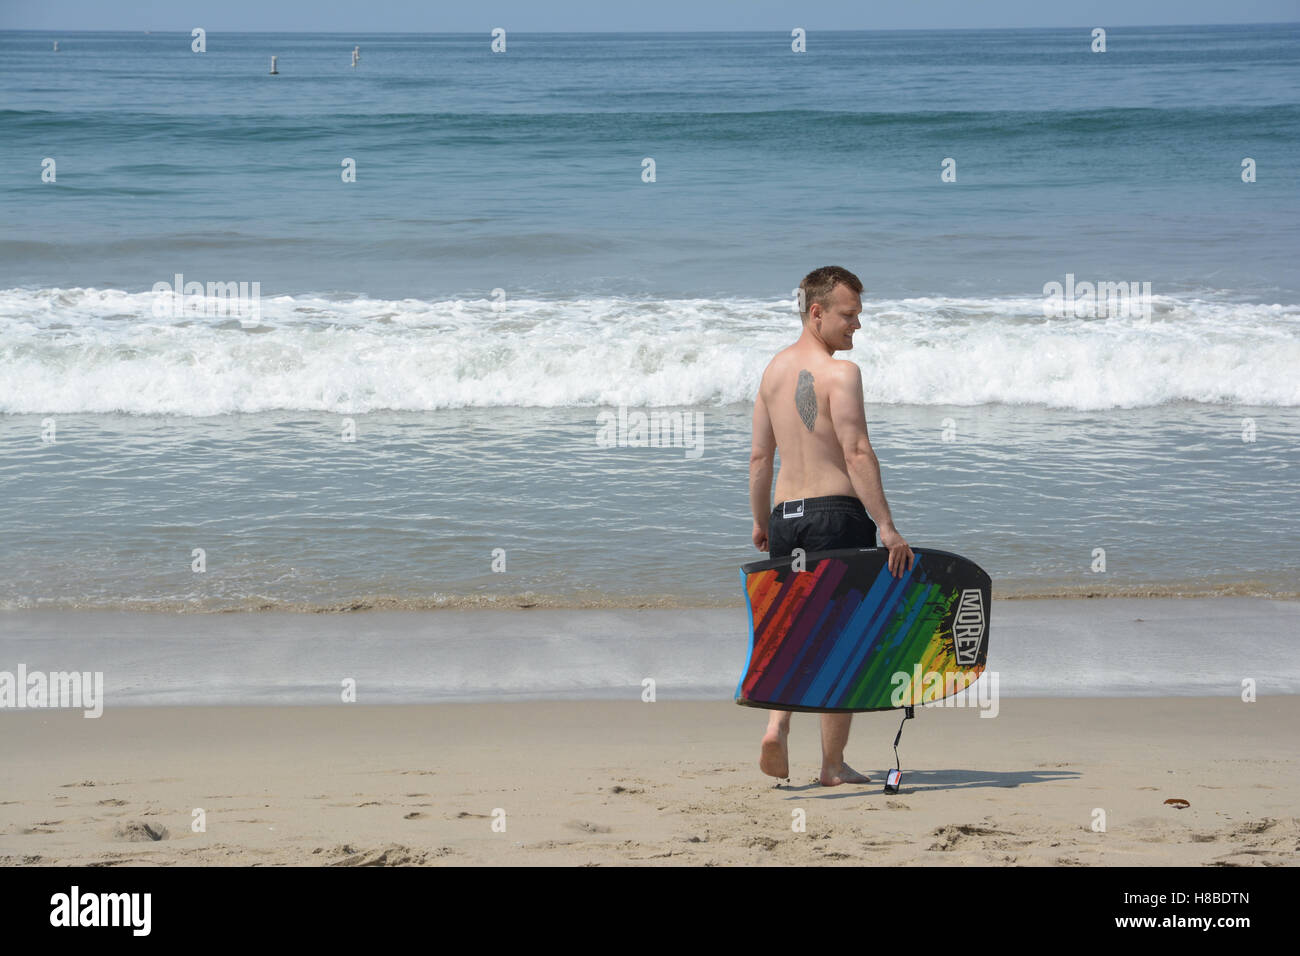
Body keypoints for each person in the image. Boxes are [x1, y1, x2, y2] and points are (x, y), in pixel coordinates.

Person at [748, 265, 915, 785]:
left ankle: (777, 725)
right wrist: (886, 526)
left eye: (859, 315)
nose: (856, 326)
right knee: (841, 641)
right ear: (816, 311)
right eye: (848, 315)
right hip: (835, 518)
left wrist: (761, 523)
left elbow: (758, 458)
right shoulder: (842, 374)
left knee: (789, 629)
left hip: (785, 520)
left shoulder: (773, 372)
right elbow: (856, 450)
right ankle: (831, 765)